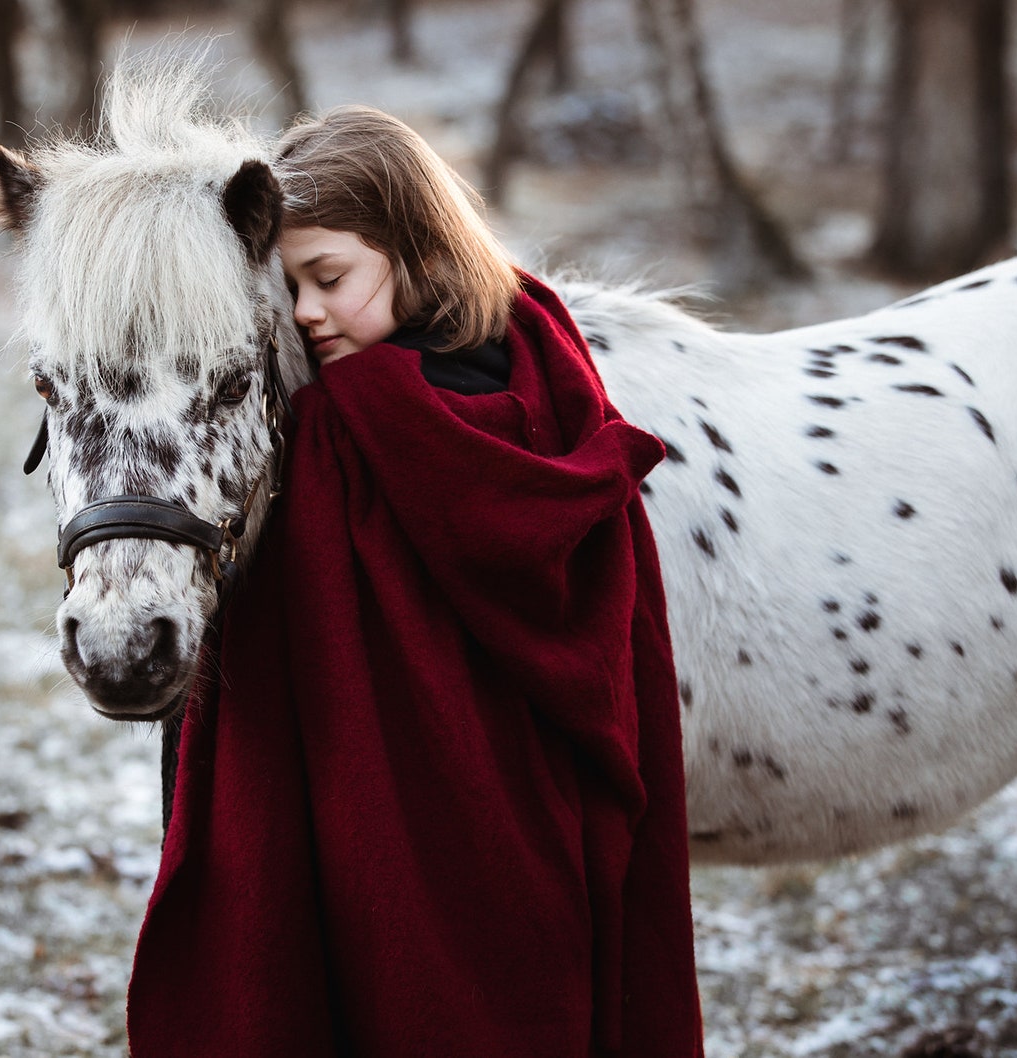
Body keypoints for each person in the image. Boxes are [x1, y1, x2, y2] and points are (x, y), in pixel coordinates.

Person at [126, 105, 704, 1057]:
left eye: (330, 278)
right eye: (288, 287)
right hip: (547, 852)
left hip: (396, 872)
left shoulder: (344, 436)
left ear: (423, 250)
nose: (306, 313)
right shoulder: (553, 379)